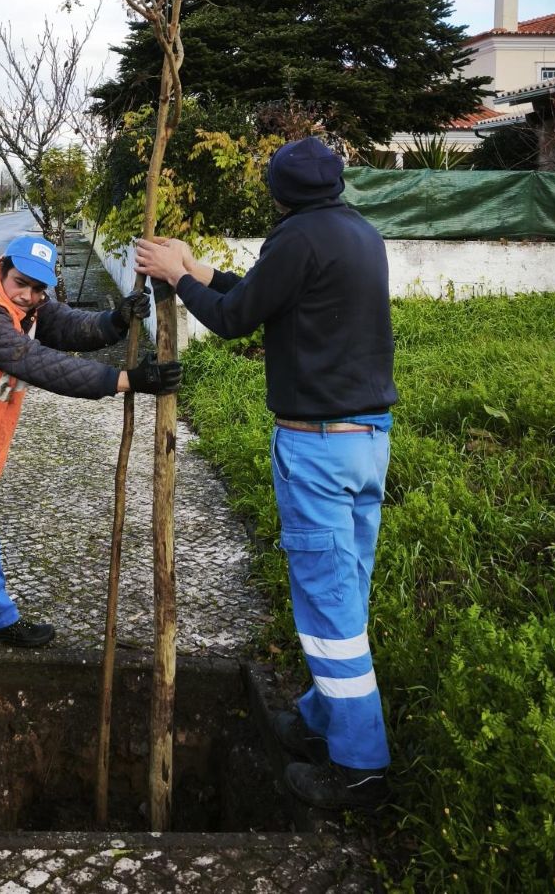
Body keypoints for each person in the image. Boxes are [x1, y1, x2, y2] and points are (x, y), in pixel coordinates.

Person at [133, 137, 398, 810]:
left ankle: (360, 767)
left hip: (318, 447)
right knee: (346, 589)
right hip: (367, 441)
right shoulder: (358, 234)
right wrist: (195, 268)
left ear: (279, 193)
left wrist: (176, 278)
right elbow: (258, 296)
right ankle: (320, 719)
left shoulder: (297, 238)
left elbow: (231, 319)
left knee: (328, 603)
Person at [0, 234, 182, 739]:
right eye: (21, 284)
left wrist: (115, 320)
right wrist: (126, 381)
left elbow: (66, 325)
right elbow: (41, 364)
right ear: (2, 269)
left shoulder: (26, 304)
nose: (29, 296)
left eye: (39, 289)